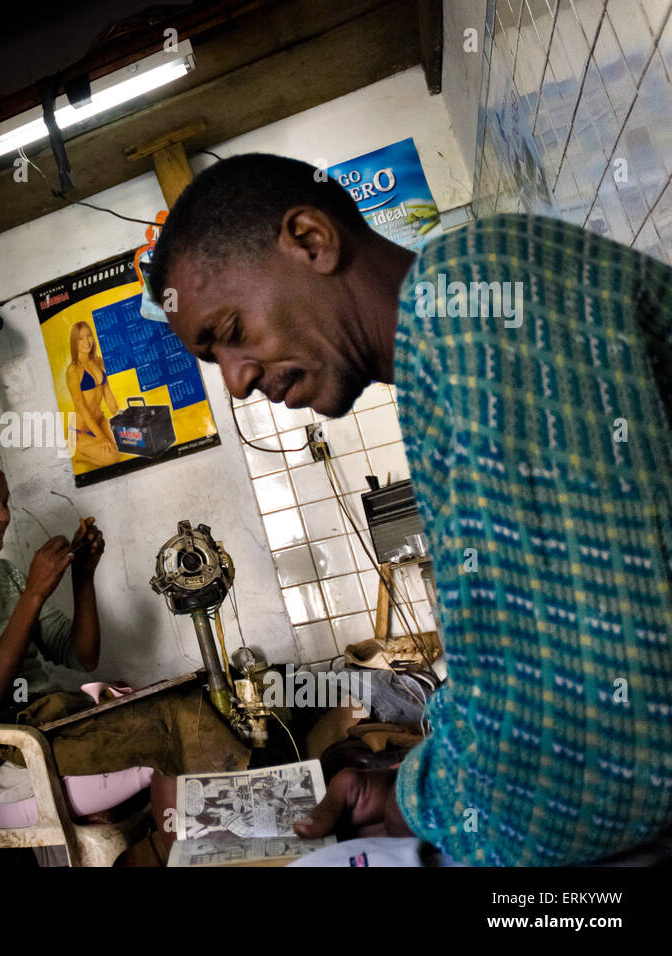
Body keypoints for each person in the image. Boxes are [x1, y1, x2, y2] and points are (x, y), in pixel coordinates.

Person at [148, 152, 672, 865]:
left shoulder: (466, 304)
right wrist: (412, 793)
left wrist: (430, 805)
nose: (236, 384)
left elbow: (598, 746)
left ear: (311, 240)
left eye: (231, 332)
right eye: (213, 361)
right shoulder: (451, 321)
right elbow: (537, 669)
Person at [0, 447, 256, 848]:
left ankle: (221, 850)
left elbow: (81, 656)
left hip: (52, 727)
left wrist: (82, 576)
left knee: (187, 703)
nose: (4, 515)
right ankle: (210, 851)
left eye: (6, 502)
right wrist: (34, 593)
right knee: (176, 725)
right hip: (6, 750)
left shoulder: (4, 573)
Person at [64, 321, 121, 467]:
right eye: (80, 338)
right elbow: (81, 408)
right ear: (74, 342)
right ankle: (82, 456)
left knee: (122, 445)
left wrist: (120, 416)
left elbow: (108, 394)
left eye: (89, 336)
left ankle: (95, 449)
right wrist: (101, 438)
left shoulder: (99, 362)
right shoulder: (73, 370)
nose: (86, 341)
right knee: (112, 458)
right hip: (80, 431)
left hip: (100, 421)